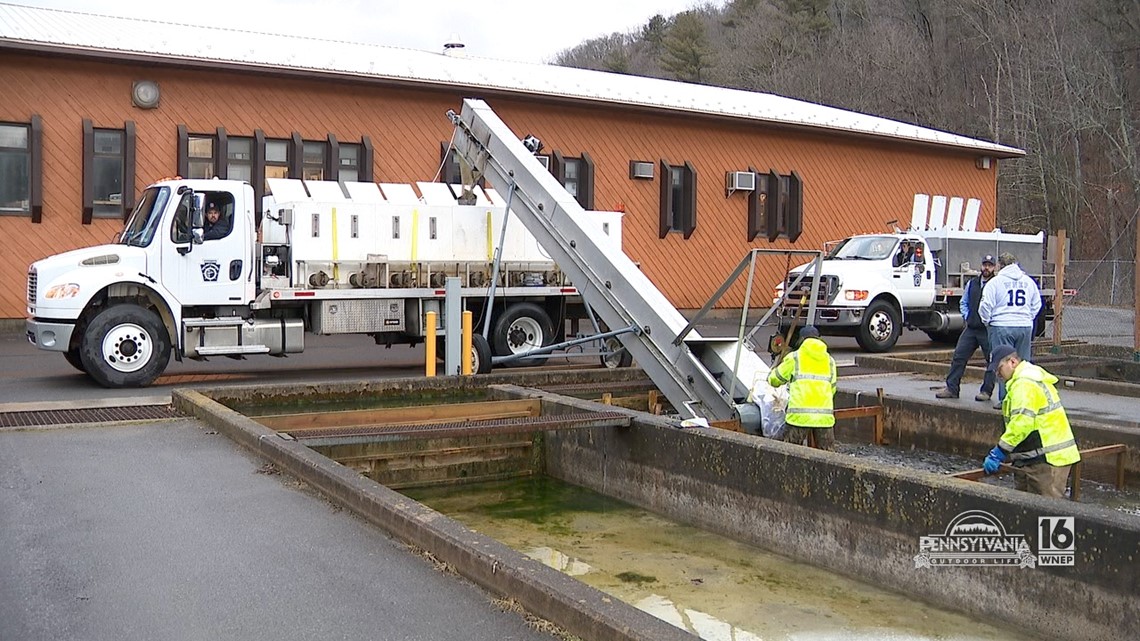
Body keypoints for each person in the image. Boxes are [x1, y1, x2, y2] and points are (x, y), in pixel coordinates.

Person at [982, 345, 1080, 498]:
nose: (998, 374)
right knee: (1037, 512)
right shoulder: (1026, 380)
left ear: (1012, 362)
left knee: (1049, 513)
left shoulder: (1023, 384)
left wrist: (999, 452)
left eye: (999, 368)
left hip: (1047, 458)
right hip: (1043, 456)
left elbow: (1022, 423)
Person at [979, 252, 1041, 408]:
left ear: (1000, 265)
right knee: (1023, 365)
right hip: (1024, 326)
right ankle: (1023, 399)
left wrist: (988, 321)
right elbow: (1036, 304)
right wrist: (1027, 317)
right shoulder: (1028, 282)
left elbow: (986, 306)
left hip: (1001, 325)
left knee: (1004, 364)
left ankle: (1006, 399)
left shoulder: (995, 283)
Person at [935, 255, 997, 400]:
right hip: (971, 328)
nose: (986, 268)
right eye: (984, 264)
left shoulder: (996, 284)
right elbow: (964, 302)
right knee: (959, 356)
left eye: (990, 265)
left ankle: (986, 391)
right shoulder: (972, 283)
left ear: (994, 267)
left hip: (987, 329)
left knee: (992, 360)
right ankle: (952, 388)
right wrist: (967, 316)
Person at [768, 326, 838, 450]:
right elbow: (832, 389)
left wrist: (771, 374)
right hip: (824, 418)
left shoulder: (795, 357)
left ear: (801, 340)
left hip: (799, 417)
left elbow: (775, 380)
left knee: (786, 452)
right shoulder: (830, 361)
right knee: (829, 457)